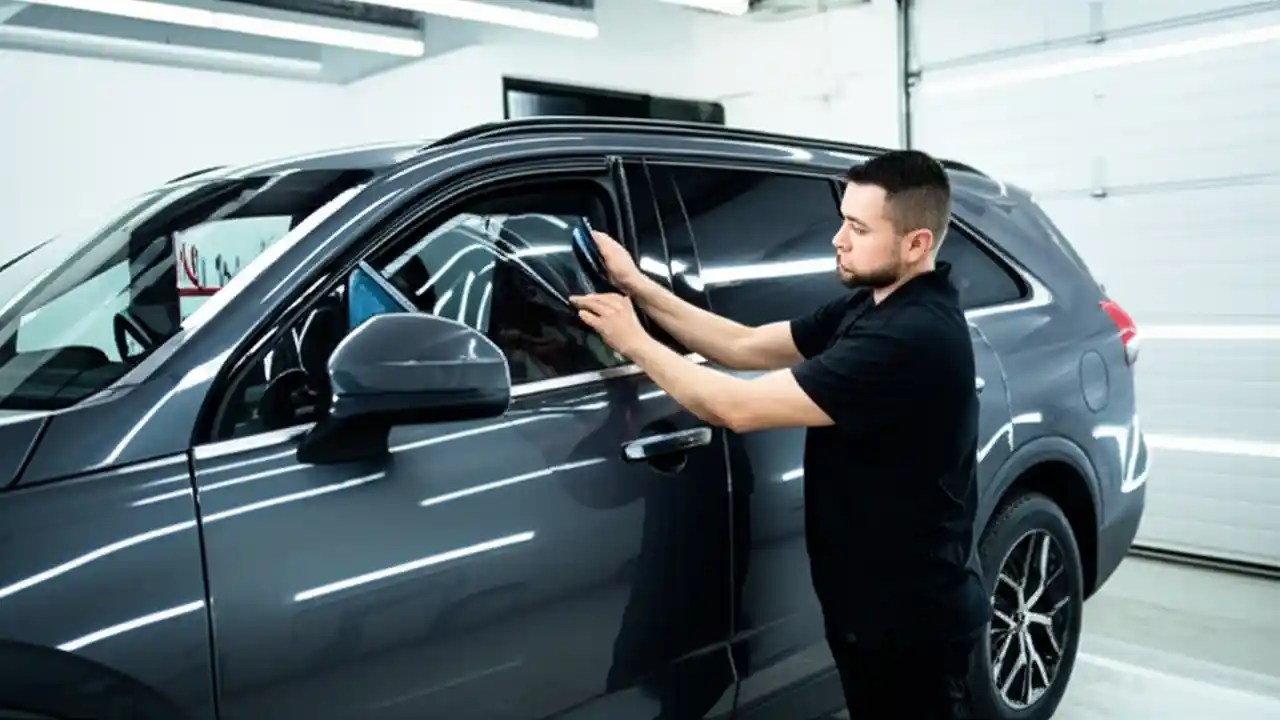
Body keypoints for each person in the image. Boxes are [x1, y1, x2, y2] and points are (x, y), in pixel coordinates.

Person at [569, 149, 989, 719]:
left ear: (916, 244)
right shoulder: (870, 307)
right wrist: (636, 286)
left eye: (859, 228)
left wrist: (634, 341)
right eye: (843, 220)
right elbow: (741, 345)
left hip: (911, 622)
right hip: (872, 608)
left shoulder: (911, 338)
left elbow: (735, 406)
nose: (838, 239)